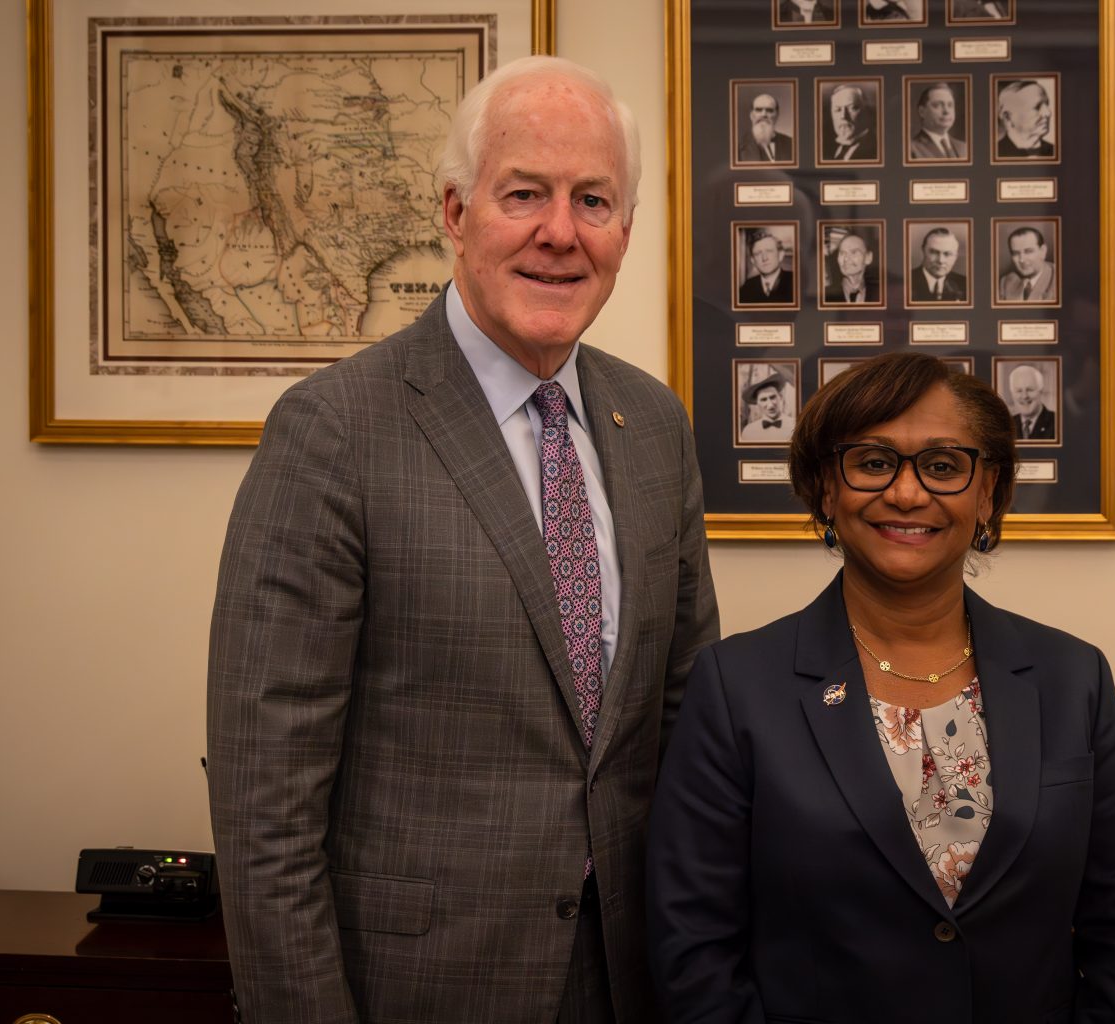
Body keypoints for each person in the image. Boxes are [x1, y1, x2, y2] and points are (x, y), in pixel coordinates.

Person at [207, 55, 720, 1024]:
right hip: (413, 987)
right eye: (524, 193)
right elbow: (264, 798)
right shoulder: (335, 430)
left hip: (631, 976)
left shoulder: (652, 426)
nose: (560, 233)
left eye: (594, 200)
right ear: (454, 212)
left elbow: (688, 719)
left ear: (626, 229)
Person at [647, 352, 1115, 1022]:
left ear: (989, 494)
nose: (907, 493)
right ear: (827, 490)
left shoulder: (1073, 678)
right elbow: (692, 948)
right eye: (872, 462)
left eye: (944, 466)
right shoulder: (736, 687)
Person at [996, 79, 1055, 159]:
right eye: (1037, 107)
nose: (1048, 113)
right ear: (1008, 118)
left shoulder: (1055, 151)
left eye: (1047, 104)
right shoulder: (998, 152)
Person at [909, 82, 968, 161]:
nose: (946, 111)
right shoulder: (911, 149)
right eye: (937, 105)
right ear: (921, 111)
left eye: (950, 105)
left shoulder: (964, 147)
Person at [999, 225, 1057, 303]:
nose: (1022, 260)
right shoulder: (1006, 282)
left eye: (1028, 251)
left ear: (1043, 251)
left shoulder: (1059, 279)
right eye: (1016, 253)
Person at [910, 227, 969, 304]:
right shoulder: (905, 281)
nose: (941, 260)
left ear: (956, 256)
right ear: (923, 251)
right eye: (934, 252)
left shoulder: (965, 284)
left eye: (947, 254)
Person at [738, 366, 795, 443]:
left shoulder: (795, 425)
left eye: (772, 397)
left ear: (780, 397)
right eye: (763, 399)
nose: (770, 405)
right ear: (757, 403)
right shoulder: (748, 431)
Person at [737, 231, 795, 305]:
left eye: (769, 251)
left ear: (780, 255)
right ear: (753, 260)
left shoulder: (796, 282)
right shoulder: (746, 289)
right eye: (758, 253)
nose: (764, 258)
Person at [823, 231, 880, 304]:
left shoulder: (880, 294)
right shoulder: (826, 296)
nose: (846, 259)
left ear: (868, 258)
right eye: (842, 253)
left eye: (854, 252)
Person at [824, 84, 878, 162]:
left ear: (866, 112)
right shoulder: (831, 149)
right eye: (837, 110)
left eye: (852, 108)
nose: (843, 116)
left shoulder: (874, 149)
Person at [736, 92, 794, 163]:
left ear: (777, 115)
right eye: (759, 110)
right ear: (751, 115)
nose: (764, 115)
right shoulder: (738, 146)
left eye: (769, 110)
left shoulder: (791, 144)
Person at [1007, 362, 1056, 440]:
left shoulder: (1057, 423)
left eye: (1030, 390)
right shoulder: (1006, 425)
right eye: (1019, 391)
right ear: (1012, 394)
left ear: (1041, 390)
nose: (1024, 396)